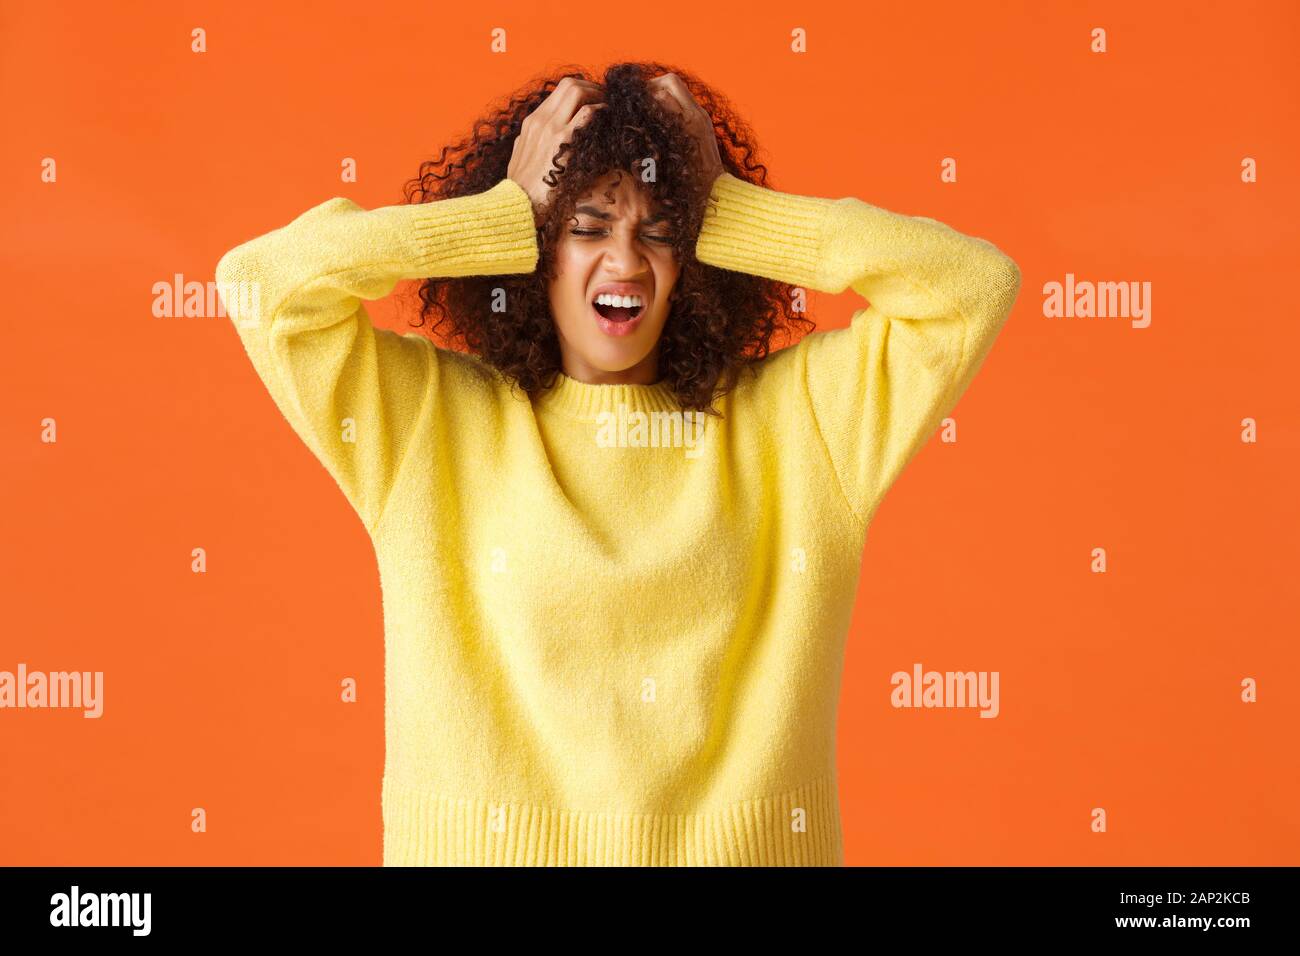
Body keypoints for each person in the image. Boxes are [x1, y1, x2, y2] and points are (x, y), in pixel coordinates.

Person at [214, 62, 1022, 866]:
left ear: (697, 258)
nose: (627, 262)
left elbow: (972, 287)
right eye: (588, 227)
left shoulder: (800, 423)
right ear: (540, 251)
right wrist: (499, 215)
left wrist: (733, 209)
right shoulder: (428, 423)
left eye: (661, 231)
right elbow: (264, 286)